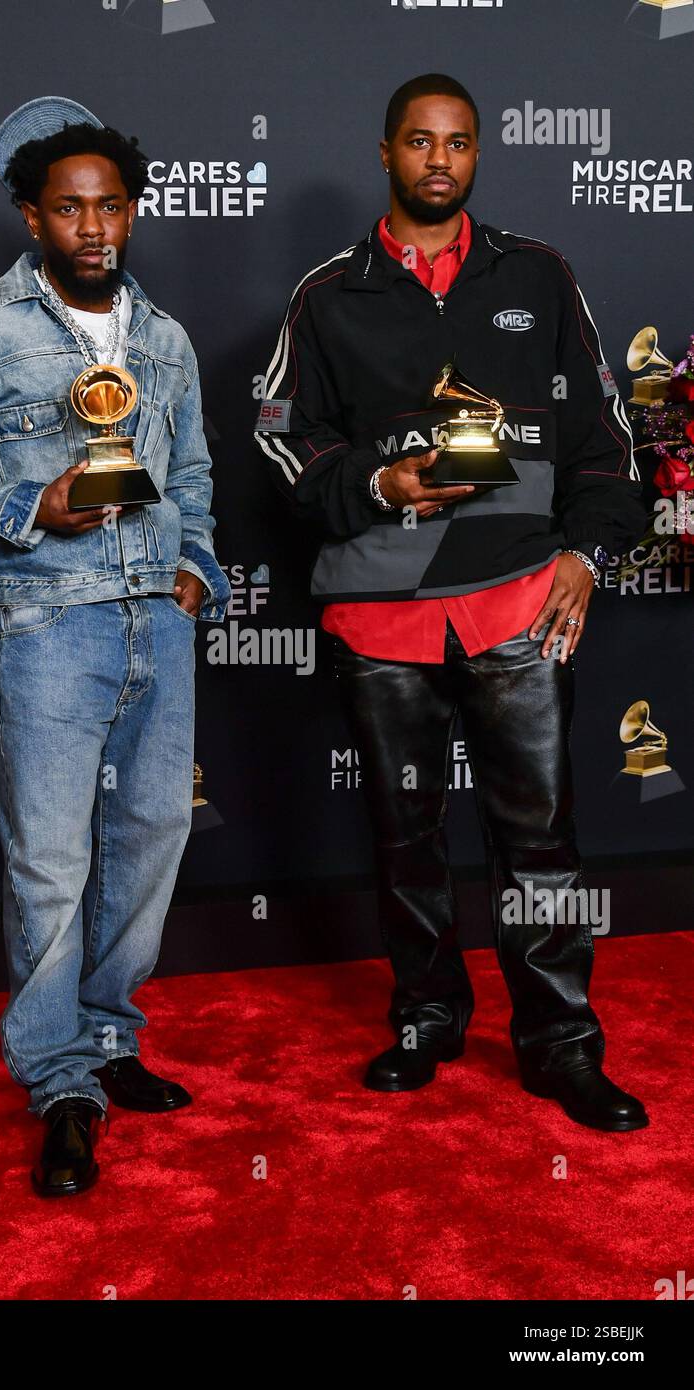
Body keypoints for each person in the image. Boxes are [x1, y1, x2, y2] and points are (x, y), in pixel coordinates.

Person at [255, 73, 648, 1132]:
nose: (439, 160)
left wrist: (585, 557)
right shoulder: (326, 295)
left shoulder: (539, 274)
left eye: (458, 143)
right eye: (419, 142)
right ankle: (425, 1019)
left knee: (540, 840)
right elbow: (282, 438)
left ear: (477, 155)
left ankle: (559, 1042)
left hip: (517, 601)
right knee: (403, 836)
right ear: (384, 152)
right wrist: (379, 485)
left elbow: (602, 439)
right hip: (378, 614)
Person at [0, 97, 231, 1195]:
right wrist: (32, 502)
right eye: (70, 209)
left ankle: (112, 1038)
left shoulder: (164, 339)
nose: (94, 227)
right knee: (48, 857)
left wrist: (194, 573)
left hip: (155, 622)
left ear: (129, 215)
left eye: (111, 208)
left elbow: (191, 479)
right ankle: (58, 1079)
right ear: (33, 217)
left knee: (150, 835)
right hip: (46, 620)